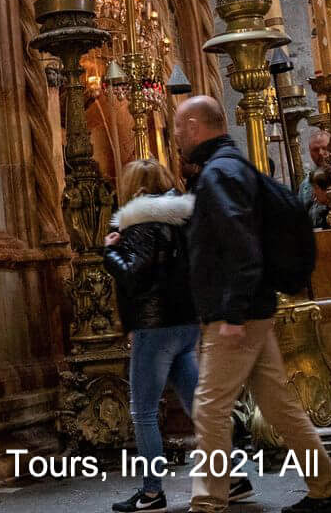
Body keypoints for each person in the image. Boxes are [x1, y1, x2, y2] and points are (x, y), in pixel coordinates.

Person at [173, 96, 331, 513]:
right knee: (278, 404)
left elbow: (241, 246)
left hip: (235, 313)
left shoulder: (219, 174)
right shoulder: (233, 167)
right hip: (251, 307)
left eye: (179, 128)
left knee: (209, 407)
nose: (176, 136)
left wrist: (233, 313)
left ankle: (208, 502)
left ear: (196, 126)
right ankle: (326, 487)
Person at [102, 158, 201, 512]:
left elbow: (133, 275)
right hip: (186, 322)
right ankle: (233, 475)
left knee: (143, 411)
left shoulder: (141, 221)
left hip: (155, 326)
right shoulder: (183, 217)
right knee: (198, 405)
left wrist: (111, 252)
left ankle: (151, 492)